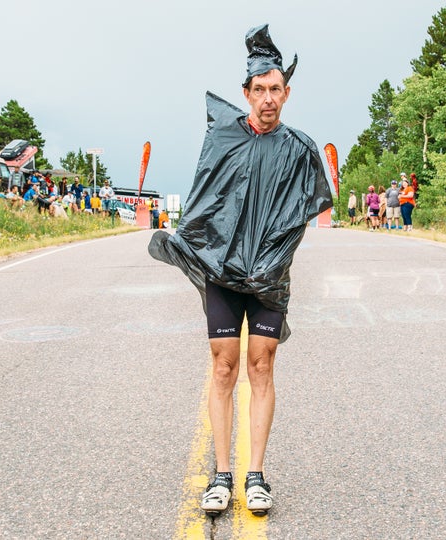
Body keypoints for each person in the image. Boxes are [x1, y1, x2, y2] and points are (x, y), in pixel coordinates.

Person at [148, 24, 332, 517]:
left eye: (276, 90)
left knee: (262, 365)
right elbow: (204, 203)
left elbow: (302, 215)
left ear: (286, 93)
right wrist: (195, 245)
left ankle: (256, 475)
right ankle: (222, 474)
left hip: (270, 275)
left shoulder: (300, 148)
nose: (267, 99)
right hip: (223, 272)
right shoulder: (223, 138)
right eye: (259, 90)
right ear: (246, 93)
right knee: (225, 365)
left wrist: (272, 261)